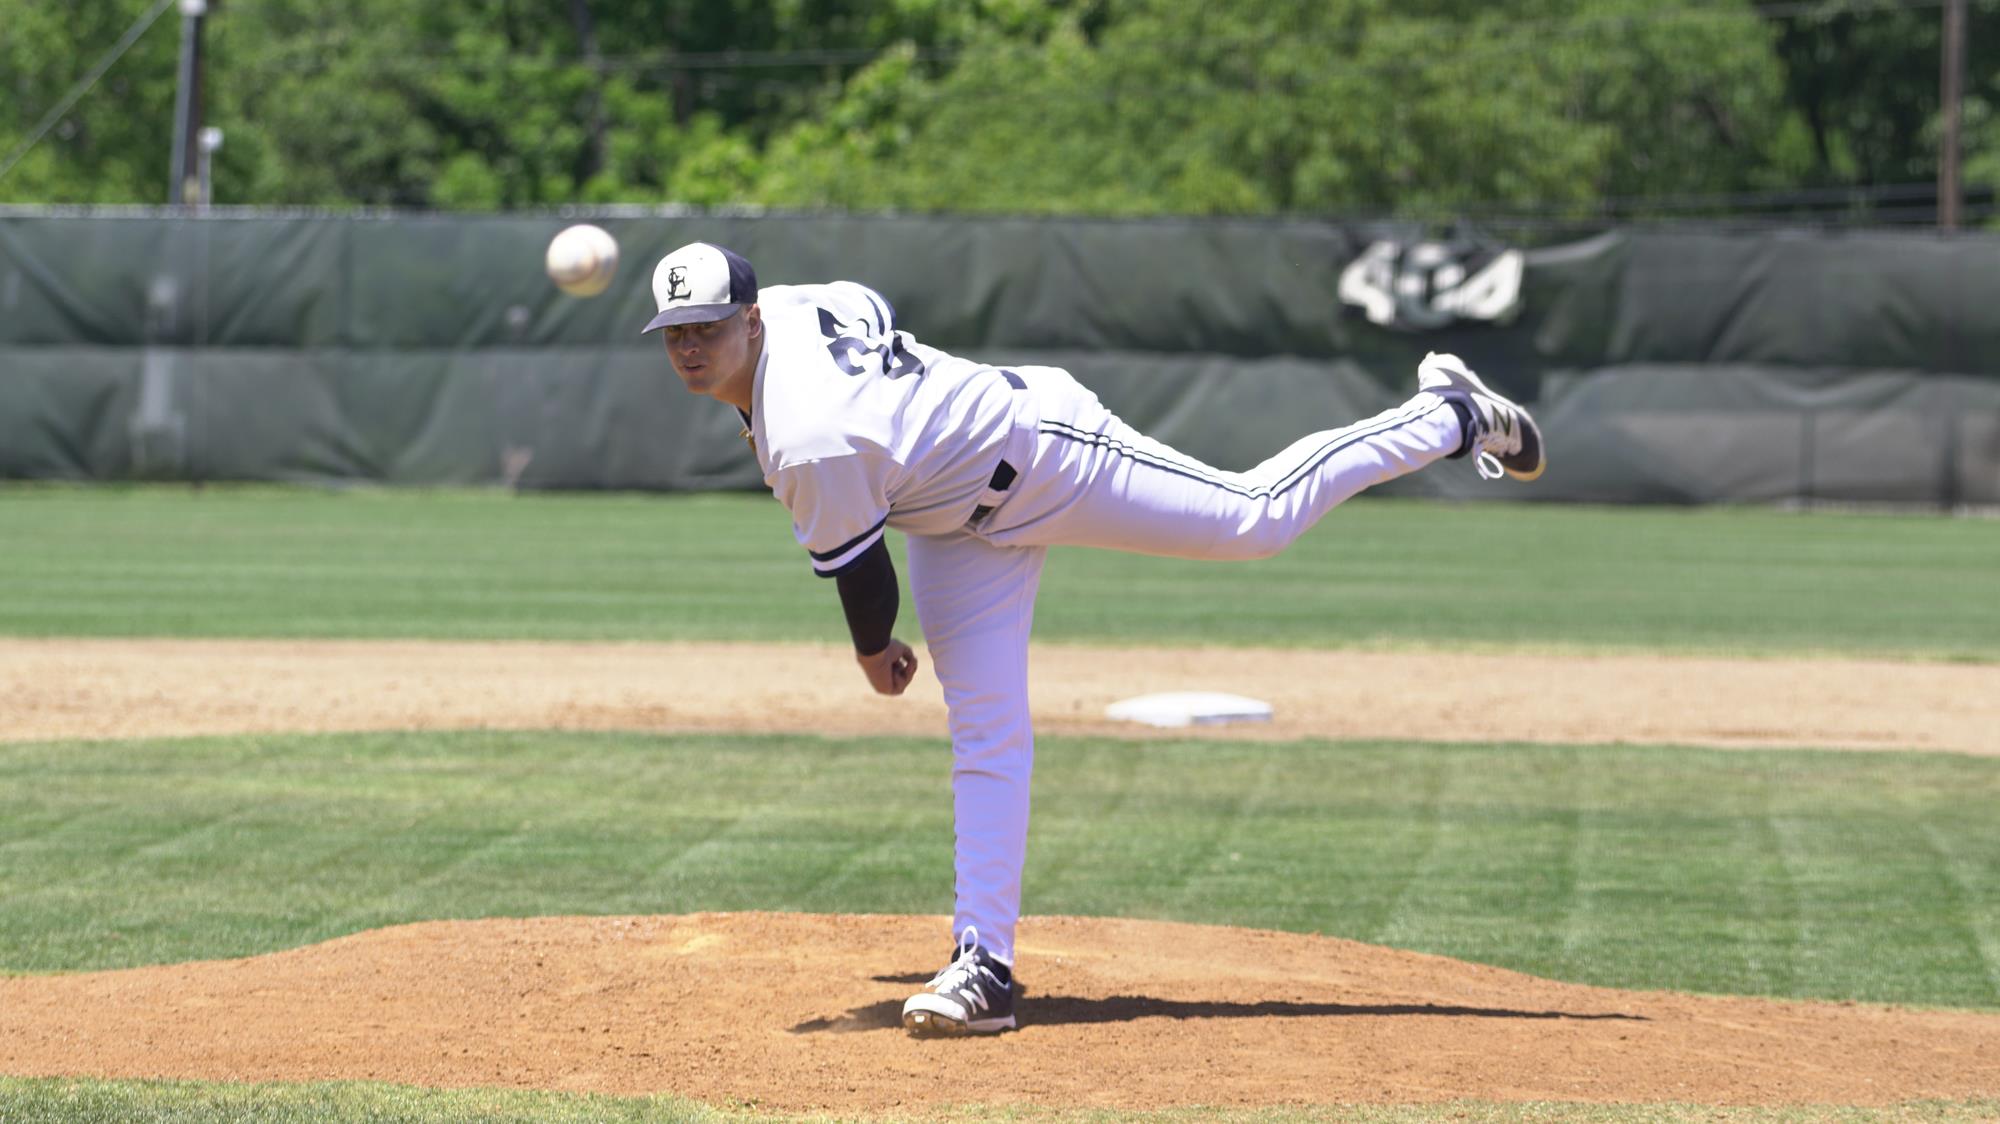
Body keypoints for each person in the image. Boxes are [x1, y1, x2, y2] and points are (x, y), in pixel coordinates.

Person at [639, 240, 1544, 1037]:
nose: (689, 347)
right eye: (675, 332)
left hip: (1044, 451)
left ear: (750, 320)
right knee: (986, 729)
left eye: (707, 327)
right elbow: (866, 305)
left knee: (1253, 518)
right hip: (953, 521)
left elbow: (863, 578)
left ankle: (1447, 415)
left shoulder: (810, 440)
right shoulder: (794, 307)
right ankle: (984, 967)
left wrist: (875, 653)